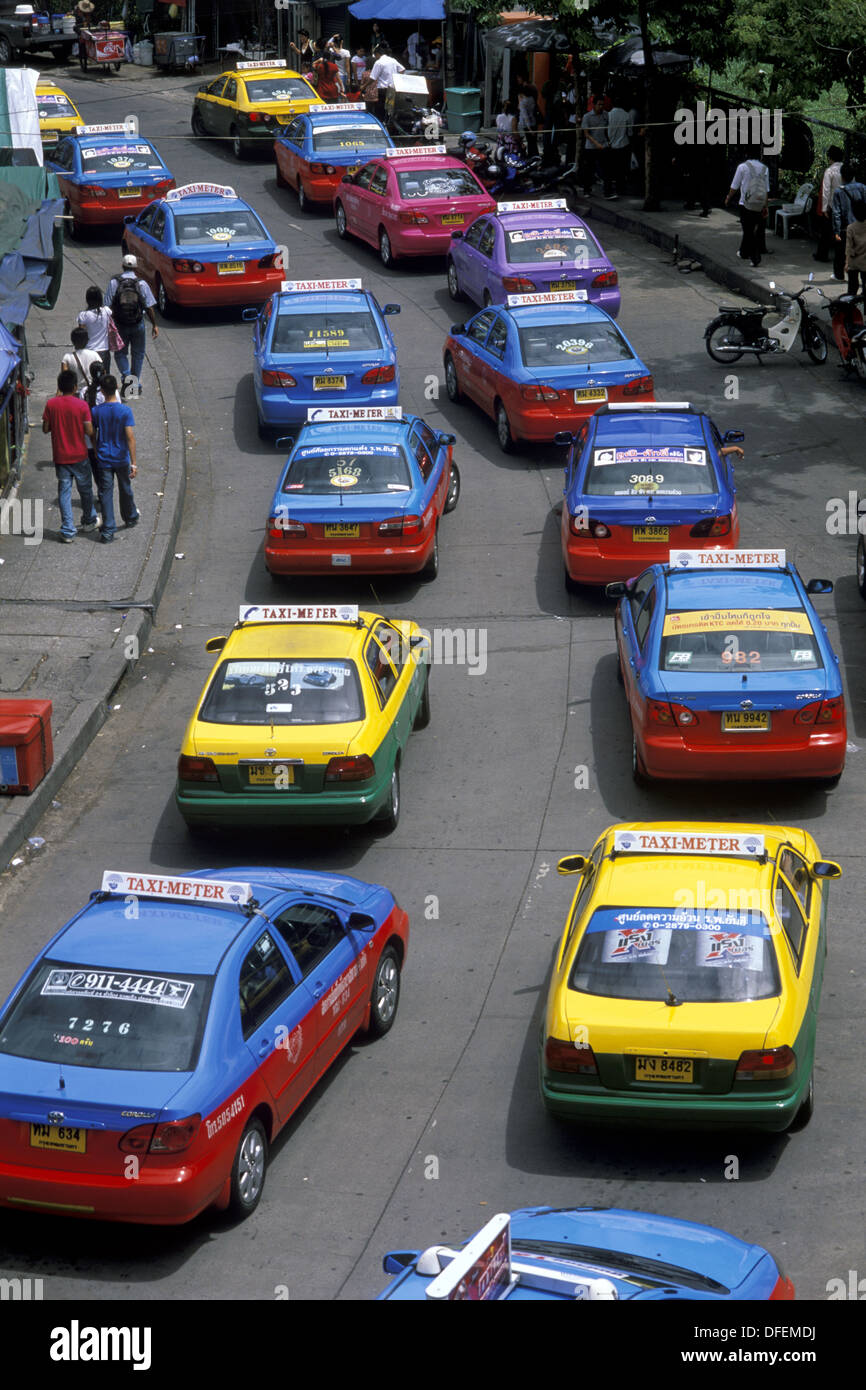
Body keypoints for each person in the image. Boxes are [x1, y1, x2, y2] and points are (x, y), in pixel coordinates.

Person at [42, 369, 98, 544]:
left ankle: (67, 530)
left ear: (59, 386)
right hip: (80, 455)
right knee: (85, 490)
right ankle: (89, 520)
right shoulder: (81, 406)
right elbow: (89, 431)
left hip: (60, 456)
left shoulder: (51, 404)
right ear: (75, 387)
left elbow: (45, 429)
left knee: (64, 493)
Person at [92, 375, 138, 543]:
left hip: (104, 457)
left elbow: (92, 433)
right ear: (117, 387)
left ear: (102, 391)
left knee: (105, 493)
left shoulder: (96, 411)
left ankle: (108, 530)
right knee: (125, 488)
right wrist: (134, 463)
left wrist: (96, 449)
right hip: (121, 457)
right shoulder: (125, 411)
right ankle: (130, 516)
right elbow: (130, 438)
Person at [106, 254, 158, 397]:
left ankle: (128, 377)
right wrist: (154, 325)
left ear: (123, 266)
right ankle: (133, 385)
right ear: (135, 267)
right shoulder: (141, 284)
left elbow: (108, 306)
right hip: (138, 324)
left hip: (120, 324)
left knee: (120, 353)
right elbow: (149, 307)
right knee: (138, 354)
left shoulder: (114, 282)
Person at [726, 149, 769, 267]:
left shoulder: (742, 167)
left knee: (748, 230)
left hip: (745, 203)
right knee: (750, 229)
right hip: (759, 203)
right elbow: (766, 189)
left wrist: (728, 197)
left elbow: (734, 185)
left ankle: (755, 256)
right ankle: (744, 252)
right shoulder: (765, 168)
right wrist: (765, 206)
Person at [831, 164, 866, 281]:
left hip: (846, 228)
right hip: (862, 226)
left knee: (841, 253)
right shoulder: (863, 188)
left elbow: (836, 213)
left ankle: (839, 275)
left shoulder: (838, 192)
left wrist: (836, 231)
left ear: (842, 176)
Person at [814, 145, 844, 263]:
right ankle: (841, 256)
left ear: (830, 157)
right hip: (844, 205)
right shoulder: (845, 169)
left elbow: (826, 190)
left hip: (832, 205)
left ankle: (822, 255)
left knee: (826, 232)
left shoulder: (830, 171)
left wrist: (824, 208)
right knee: (842, 232)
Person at [581, 94, 611, 197]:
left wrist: (608, 142)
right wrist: (597, 144)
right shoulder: (587, 117)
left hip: (603, 145)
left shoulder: (606, 115)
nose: (601, 107)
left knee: (606, 170)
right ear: (594, 105)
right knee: (589, 170)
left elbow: (608, 129)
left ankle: (607, 192)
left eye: (603, 104)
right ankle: (587, 190)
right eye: (599, 104)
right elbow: (586, 134)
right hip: (591, 147)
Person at [77, 285, 112, 371]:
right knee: (104, 376)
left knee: (90, 376)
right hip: (104, 350)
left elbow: (82, 334)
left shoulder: (83, 315)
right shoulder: (107, 311)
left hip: (89, 350)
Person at [62, 325, 102, 398]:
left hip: (75, 394)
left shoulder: (67, 358)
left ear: (72, 340)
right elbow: (102, 373)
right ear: (87, 340)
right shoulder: (95, 355)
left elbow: (64, 380)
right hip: (91, 393)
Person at [370, 45, 404, 123]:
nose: (375, 57)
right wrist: (397, 79)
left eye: (375, 55)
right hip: (392, 88)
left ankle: (381, 123)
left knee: (380, 109)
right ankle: (389, 123)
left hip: (383, 89)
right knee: (390, 108)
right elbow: (402, 69)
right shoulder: (393, 60)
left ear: (377, 54)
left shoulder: (378, 62)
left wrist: (363, 86)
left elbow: (372, 78)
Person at [606, 95, 630, 199]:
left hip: (611, 145)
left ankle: (611, 188)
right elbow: (629, 132)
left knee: (611, 169)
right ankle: (621, 188)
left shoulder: (608, 115)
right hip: (623, 144)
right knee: (622, 169)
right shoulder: (626, 115)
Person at [845, 197, 866, 297]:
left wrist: (846, 263)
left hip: (854, 262)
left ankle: (851, 308)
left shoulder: (851, 228)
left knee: (852, 287)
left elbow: (849, 248)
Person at [515, 74, 538, 158]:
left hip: (526, 124)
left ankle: (528, 157)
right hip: (534, 121)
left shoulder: (523, 102)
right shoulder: (532, 99)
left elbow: (525, 116)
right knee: (533, 142)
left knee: (528, 141)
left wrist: (529, 128)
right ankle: (535, 157)